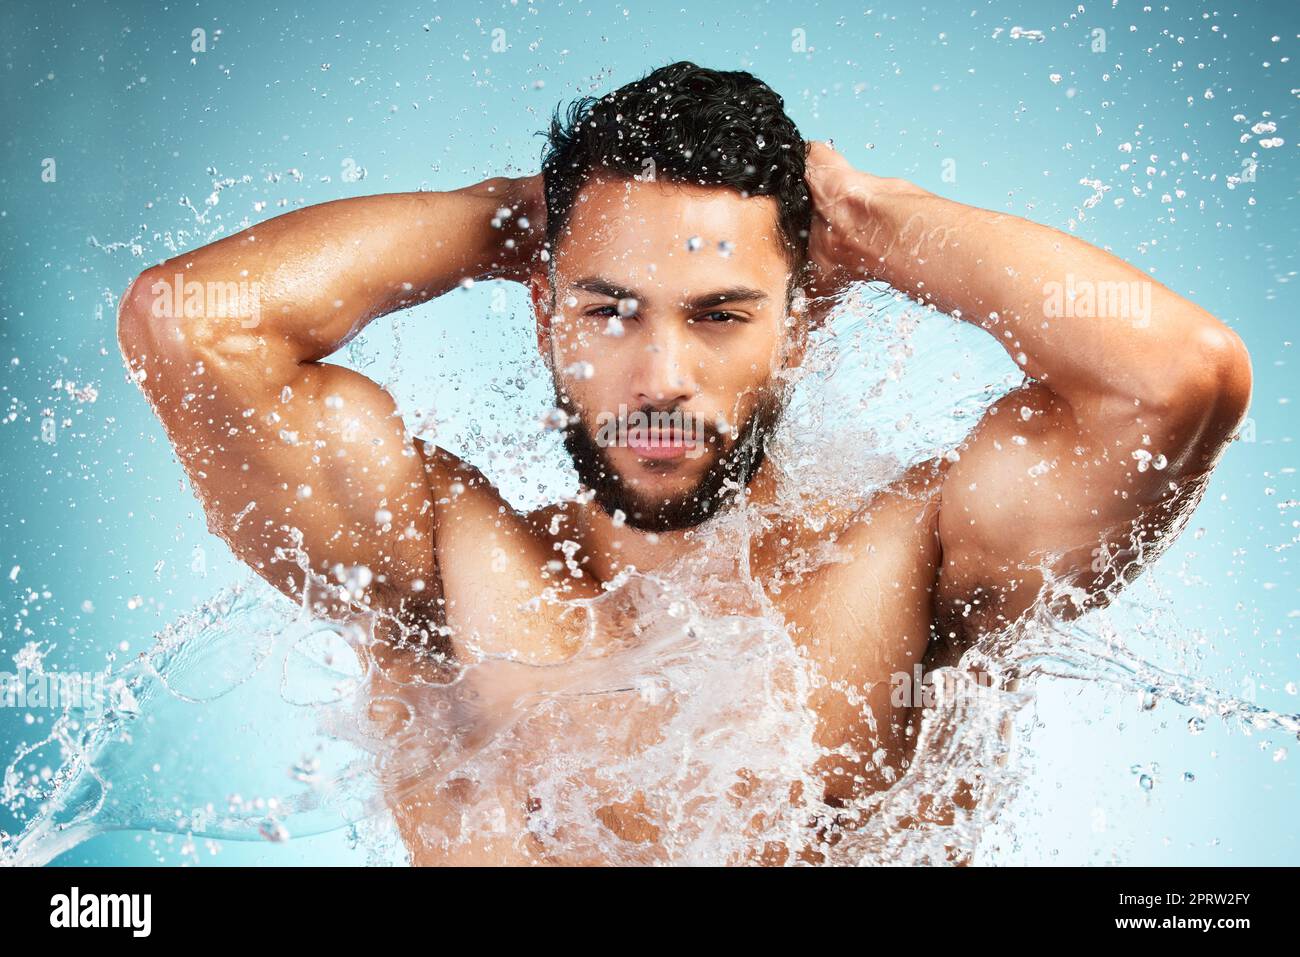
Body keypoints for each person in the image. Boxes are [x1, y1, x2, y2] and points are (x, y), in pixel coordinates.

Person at [116, 61, 1252, 864]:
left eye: (719, 314)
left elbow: (1173, 376)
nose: (659, 375)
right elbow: (192, 324)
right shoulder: (438, 567)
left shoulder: (906, 568)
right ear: (542, 315)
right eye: (608, 312)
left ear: (798, 327)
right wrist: (515, 219)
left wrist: (864, 216)